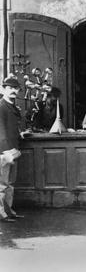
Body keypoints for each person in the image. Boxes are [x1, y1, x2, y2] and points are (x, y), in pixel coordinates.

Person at [0, 78, 25, 223]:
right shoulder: (1, 106)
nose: (13, 91)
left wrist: (20, 133)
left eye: (16, 88)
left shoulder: (13, 107)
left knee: (10, 183)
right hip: (5, 151)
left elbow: (12, 127)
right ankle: (1, 213)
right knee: (2, 184)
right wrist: (5, 151)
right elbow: (0, 130)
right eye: (10, 88)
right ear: (3, 89)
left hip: (13, 148)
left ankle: (8, 211)